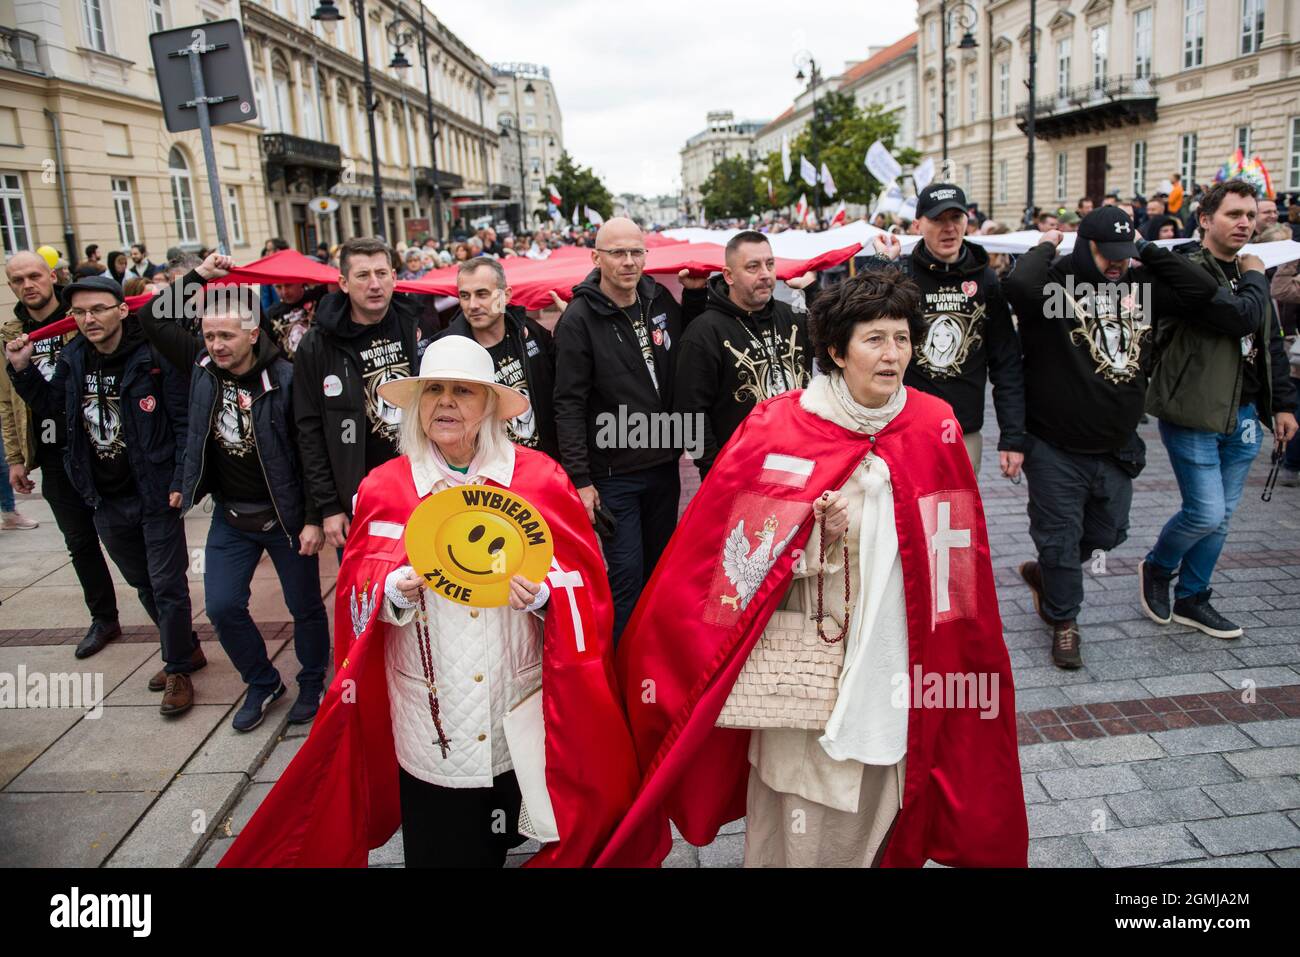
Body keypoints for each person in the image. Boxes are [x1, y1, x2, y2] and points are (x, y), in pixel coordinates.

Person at [597, 268, 1026, 868]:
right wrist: (808, 545)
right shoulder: (780, 427)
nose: (893, 354)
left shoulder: (935, 424)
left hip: (900, 658)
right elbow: (732, 566)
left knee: (885, 801)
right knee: (801, 817)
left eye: (902, 338)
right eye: (874, 339)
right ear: (835, 350)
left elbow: (959, 570)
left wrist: (958, 657)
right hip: (807, 667)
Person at [221, 336, 639, 867]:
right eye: (434, 390)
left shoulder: (540, 478)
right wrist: (390, 591)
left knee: (510, 830)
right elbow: (357, 587)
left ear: (488, 404)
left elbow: (586, 586)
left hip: (514, 700)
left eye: (462, 391)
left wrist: (545, 595)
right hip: (432, 713)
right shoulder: (383, 486)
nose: (445, 403)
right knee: (443, 849)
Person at [1005, 207, 1239, 668]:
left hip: (1115, 447)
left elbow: (1202, 289)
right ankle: (1065, 620)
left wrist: (1147, 247)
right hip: (1053, 445)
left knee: (1108, 534)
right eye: (1106, 254)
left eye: (1123, 254)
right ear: (1081, 247)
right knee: (1059, 538)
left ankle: (1050, 574)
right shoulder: (1055, 289)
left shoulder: (1139, 288)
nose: (1116, 264)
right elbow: (1017, 286)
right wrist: (1048, 242)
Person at [135, 255, 329, 730]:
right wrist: (200, 275)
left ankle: (311, 680)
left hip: (283, 519)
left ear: (253, 333)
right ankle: (263, 682)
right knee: (221, 606)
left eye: (226, 335)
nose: (215, 345)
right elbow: (150, 318)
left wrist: (312, 517)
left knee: (304, 606)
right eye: (209, 335)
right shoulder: (200, 365)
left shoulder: (284, 379)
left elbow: (310, 451)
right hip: (231, 519)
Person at [5, 276, 202, 714]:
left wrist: (179, 481)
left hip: (153, 491)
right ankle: (186, 648)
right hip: (104, 497)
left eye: (97, 309)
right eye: (79, 312)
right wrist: (22, 369)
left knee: (167, 584)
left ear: (122, 309)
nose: (88, 319)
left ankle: (177, 670)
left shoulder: (152, 356)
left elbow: (183, 420)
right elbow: (54, 406)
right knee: (142, 582)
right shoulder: (74, 357)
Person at [1140, 180, 1299, 639]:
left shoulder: (1251, 271)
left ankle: (1193, 596)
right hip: (1193, 408)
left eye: (1250, 215)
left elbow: (1268, 341)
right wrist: (1253, 274)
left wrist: (1282, 406)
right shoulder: (1184, 268)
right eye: (1233, 214)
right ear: (1205, 220)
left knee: (1223, 516)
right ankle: (1158, 566)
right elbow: (1234, 315)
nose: (1245, 223)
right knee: (1206, 512)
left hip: (1245, 414)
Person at [552, 217, 705, 640]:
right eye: (618, 253)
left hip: (662, 462)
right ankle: (624, 677)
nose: (629, 262)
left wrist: (692, 299)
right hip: (613, 475)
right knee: (626, 581)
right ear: (596, 258)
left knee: (660, 573)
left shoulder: (658, 299)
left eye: (636, 252)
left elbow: (685, 348)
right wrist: (580, 480)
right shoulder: (578, 320)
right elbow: (568, 403)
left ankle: (656, 665)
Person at [2, 252, 120, 652]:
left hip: (97, 444)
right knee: (80, 542)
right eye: (17, 280)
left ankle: (165, 615)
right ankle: (103, 618)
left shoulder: (79, 321)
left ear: (52, 276)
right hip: (52, 453)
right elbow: (6, 401)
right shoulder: (10, 334)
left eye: (34, 275)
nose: (27, 285)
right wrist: (15, 456)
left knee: (125, 536)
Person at [865, 183, 1025, 477]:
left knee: (958, 521)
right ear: (917, 225)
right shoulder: (903, 274)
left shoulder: (986, 279)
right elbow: (861, 319)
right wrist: (882, 264)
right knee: (900, 518)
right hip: (904, 427)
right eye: (938, 220)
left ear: (967, 222)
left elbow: (1006, 362)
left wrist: (1012, 436)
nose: (949, 228)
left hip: (963, 431)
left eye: (956, 218)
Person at [294, 238, 421, 553]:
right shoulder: (316, 345)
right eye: (363, 275)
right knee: (367, 595)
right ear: (344, 283)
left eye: (381, 273)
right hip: (359, 498)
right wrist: (325, 507)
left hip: (422, 483)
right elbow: (308, 431)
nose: (374, 284)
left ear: (394, 276)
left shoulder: (416, 323)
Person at [672, 231, 812, 477]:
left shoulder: (794, 316)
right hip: (737, 474)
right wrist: (715, 469)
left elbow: (840, 350)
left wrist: (813, 290)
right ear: (729, 276)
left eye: (770, 264)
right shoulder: (703, 333)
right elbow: (689, 413)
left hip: (800, 462)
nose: (765, 274)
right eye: (753, 267)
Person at [435, 257, 559, 459]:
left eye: (482, 294)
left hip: (547, 465)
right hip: (490, 477)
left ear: (506, 296)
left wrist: (571, 325)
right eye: (465, 296)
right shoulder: (446, 351)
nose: (472, 305)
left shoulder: (530, 333)